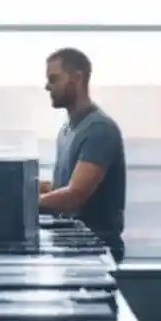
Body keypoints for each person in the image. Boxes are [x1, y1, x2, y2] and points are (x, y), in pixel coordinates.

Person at [38, 47, 128, 262]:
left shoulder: (99, 129)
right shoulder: (67, 130)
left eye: (53, 79)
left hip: (95, 251)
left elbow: (74, 195)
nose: (47, 86)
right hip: (70, 246)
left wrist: (20, 203)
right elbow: (63, 188)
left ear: (77, 78)